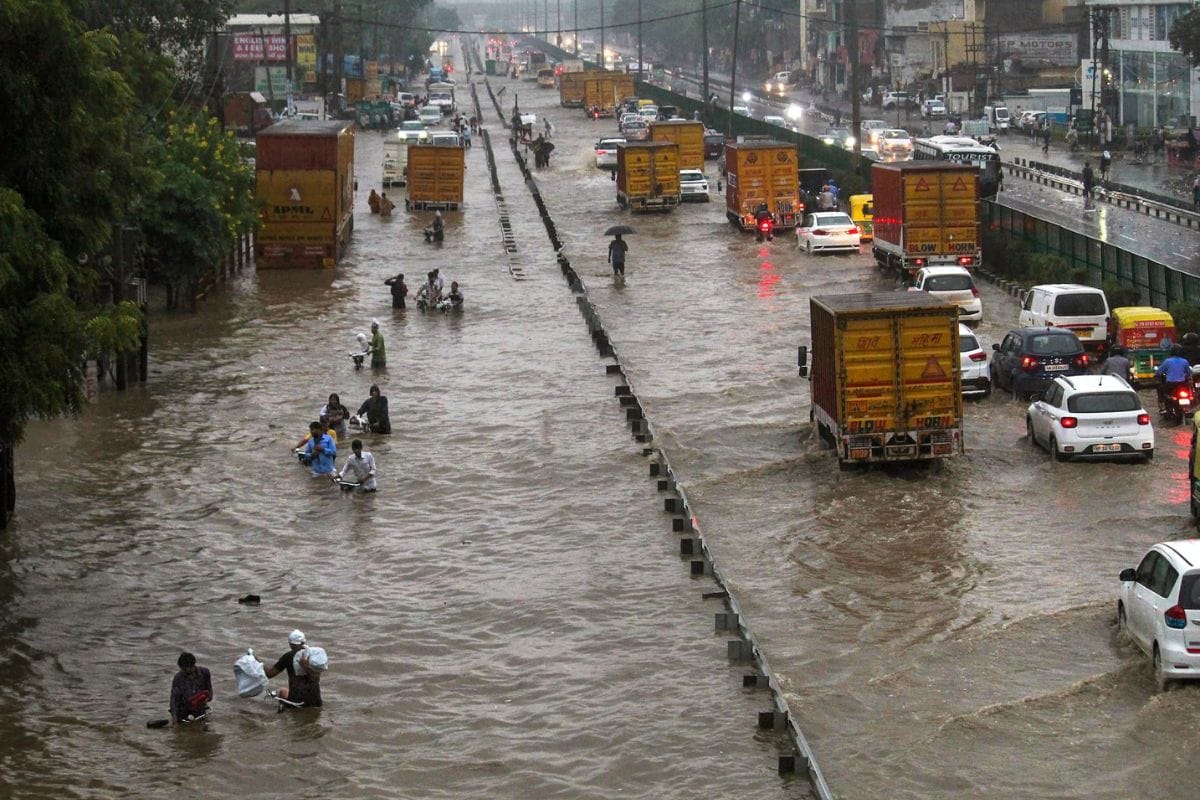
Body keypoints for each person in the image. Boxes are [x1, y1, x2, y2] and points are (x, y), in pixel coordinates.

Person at [263, 630, 322, 708]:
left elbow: (269, 674)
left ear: (290, 644)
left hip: (296, 702)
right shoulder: (313, 655)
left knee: (283, 691)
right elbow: (316, 678)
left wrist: (258, 663)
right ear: (303, 642)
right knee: (285, 691)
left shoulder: (288, 657)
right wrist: (306, 667)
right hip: (316, 702)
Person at [169, 652, 213, 726]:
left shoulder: (205, 673)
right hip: (183, 711)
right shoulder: (178, 678)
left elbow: (209, 691)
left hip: (200, 710)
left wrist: (207, 699)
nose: (184, 671)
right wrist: (174, 718)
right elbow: (174, 700)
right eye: (182, 669)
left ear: (193, 666)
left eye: (186, 669)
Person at [1155, 344, 1192, 412]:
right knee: (1190, 392)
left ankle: (1162, 405)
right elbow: (1189, 373)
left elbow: (1159, 372)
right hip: (1182, 384)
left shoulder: (1167, 361)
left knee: (1160, 389)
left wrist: (1157, 375)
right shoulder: (1185, 361)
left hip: (1171, 384)